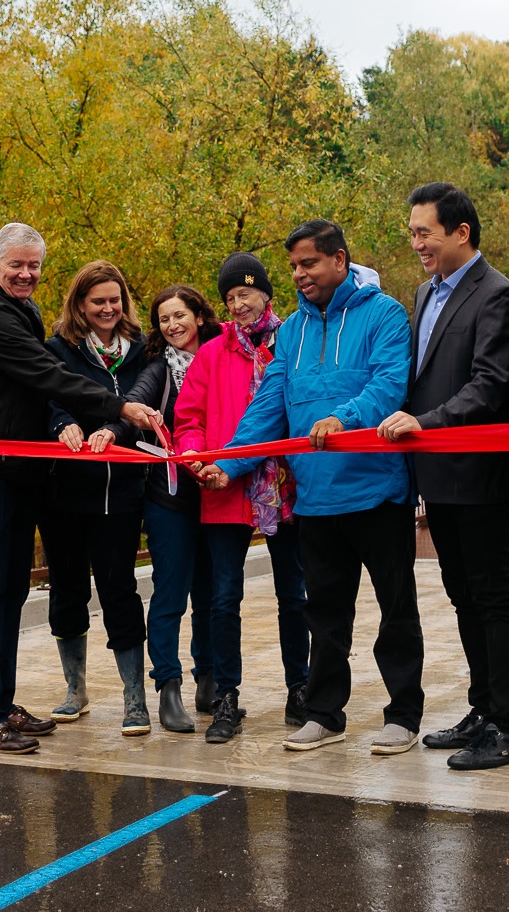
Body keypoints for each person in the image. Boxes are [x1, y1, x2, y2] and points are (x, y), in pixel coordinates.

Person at [199, 220, 424, 755]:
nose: (299, 275)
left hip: (379, 493)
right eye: (294, 267)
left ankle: (403, 715)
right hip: (316, 500)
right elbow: (270, 404)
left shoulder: (384, 314)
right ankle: (324, 713)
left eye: (309, 263)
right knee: (323, 614)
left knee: (396, 608)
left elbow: (389, 385)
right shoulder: (292, 332)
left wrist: (343, 418)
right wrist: (231, 463)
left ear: (340, 261)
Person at [0, 224, 158, 755]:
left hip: (19, 474)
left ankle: (1, 703)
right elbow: (45, 374)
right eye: (16, 264)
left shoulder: (26, 311)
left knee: (11, 592)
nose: (25, 274)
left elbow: (40, 392)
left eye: (34, 265)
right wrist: (118, 406)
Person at [379, 182, 509, 771]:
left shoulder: (496, 295)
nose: (417, 243)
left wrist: (425, 422)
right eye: (412, 232)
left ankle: (508, 728)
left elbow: (490, 386)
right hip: (437, 476)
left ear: (460, 232)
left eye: (425, 232)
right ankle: (481, 710)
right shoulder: (425, 292)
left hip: (479, 475)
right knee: (464, 598)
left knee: (494, 598)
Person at [175, 252, 311, 745]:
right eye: (230, 297)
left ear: (267, 296)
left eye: (246, 294)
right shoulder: (212, 353)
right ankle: (226, 696)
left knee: (293, 596)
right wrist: (193, 454)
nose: (238, 305)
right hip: (225, 489)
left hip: (287, 489)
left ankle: (300, 687)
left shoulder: (295, 342)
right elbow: (188, 419)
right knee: (223, 598)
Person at [42, 260, 153, 736]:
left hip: (121, 492)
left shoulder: (143, 351)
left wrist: (113, 428)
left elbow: (144, 402)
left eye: (114, 300)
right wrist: (59, 423)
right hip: (64, 491)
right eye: (97, 301)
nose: (108, 308)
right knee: (67, 588)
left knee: (119, 589)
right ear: (80, 306)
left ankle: (134, 699)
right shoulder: (57, 348)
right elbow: (47, 396)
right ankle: (75, 689)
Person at [114, 284, 221, 732]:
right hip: (169, 499)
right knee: (171, 595)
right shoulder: (159, 370)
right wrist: (125, 415)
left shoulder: (225, 359)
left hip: (220, 494)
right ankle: (168, 688)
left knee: (214, 597)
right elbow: (135, 399)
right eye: (163, 320)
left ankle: (209, 679)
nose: (173, 325)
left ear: (199, 316)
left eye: (180, 315)